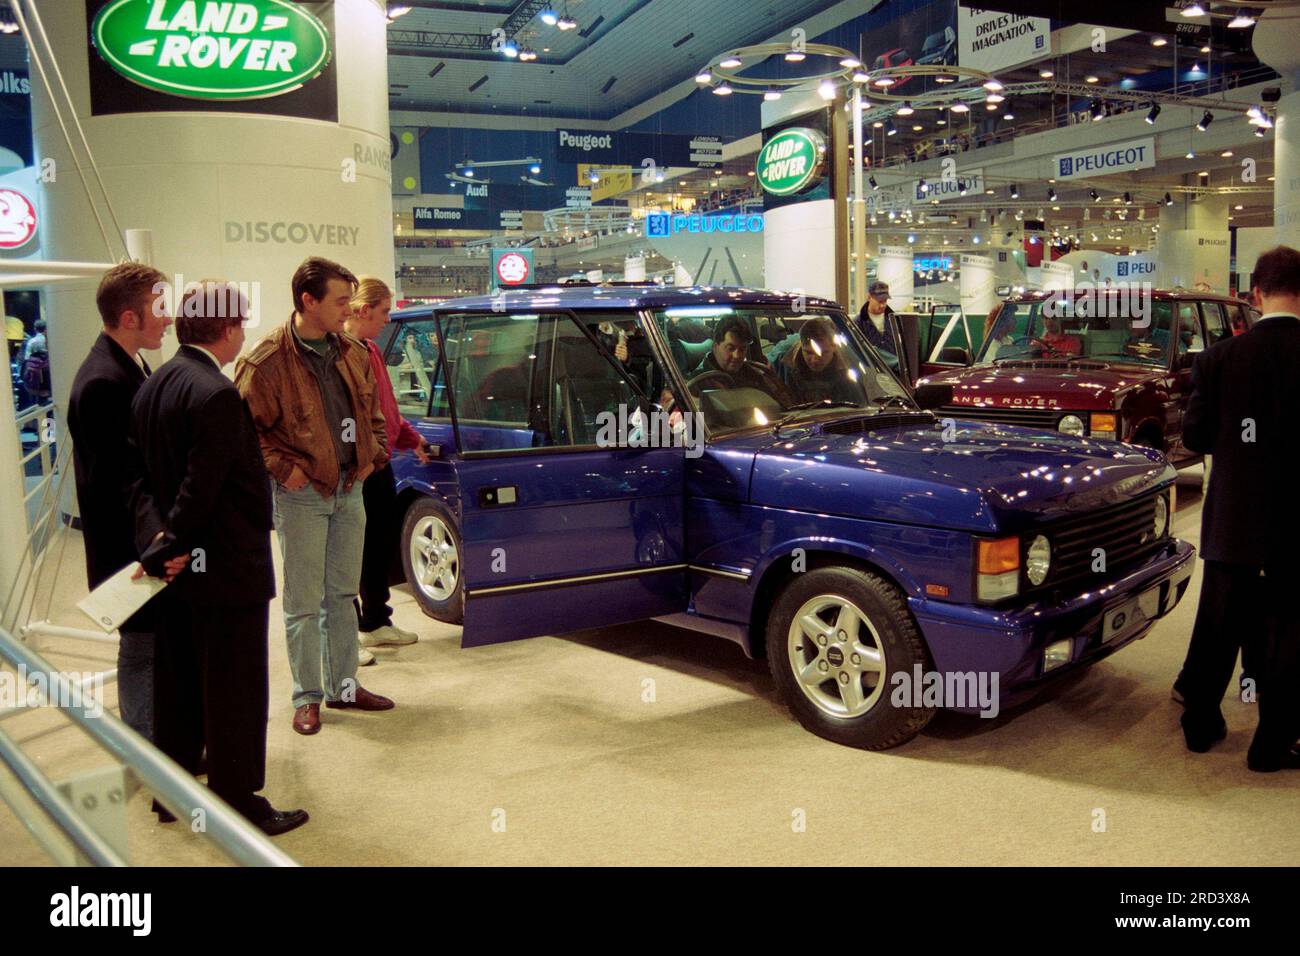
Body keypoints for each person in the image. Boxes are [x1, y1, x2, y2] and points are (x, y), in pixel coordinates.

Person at [130, 281, 308, 834]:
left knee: (179, 684)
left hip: (181, 571)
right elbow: (202, 489)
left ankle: (172, 795)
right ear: (227, 329)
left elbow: (140, 482)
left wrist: (159, 546)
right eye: (242, 323)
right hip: (226, 569)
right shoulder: (216, 393)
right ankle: (239, 800)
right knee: (235, 690)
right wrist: (174, 543)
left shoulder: (154, 384)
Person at [235, 257, 394, 737]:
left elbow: (373, 412)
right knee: (303, 604)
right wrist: (288, 471)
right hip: (301, 497)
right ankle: (306, 697)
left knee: (342, 595)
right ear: (309, 301)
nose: (350, 308)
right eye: (341, 301)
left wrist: (373, 456)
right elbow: (246, 432)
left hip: (351, 488)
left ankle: (344, 685)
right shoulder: (265, 362)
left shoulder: (352, 351)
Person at [1176, 245, 1300, 772]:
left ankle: (1201, 724)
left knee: (1219, 622)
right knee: (1291, 631)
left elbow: (1197, 435)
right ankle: (1272, 744)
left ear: (1255, 294)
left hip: (1234, 520)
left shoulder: (1219, 359)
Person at [67, 263, 173, 741]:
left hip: (141, 541)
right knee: (142, 645)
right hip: (128, 548)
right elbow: (120, 483)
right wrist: (154, 544)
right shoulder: (102, 382)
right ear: (130, 317)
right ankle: (149, 752)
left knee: (150, 644)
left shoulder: (127, 365)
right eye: (160, 308)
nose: (169, 319)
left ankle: (155, 743)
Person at [343, 277, 432, 653]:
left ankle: (376, 620)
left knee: (377, 545)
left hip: (380, 463)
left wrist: (411, 438)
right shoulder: (341, 354)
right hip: (357, 468)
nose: (386, 320)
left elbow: (385, 408)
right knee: (348, 553)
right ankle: (345, 639)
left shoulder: (371, 350)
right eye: (382, 312)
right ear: (364, 311)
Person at [688, 315, 791, 402]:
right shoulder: (695, 386)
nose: (737, 356)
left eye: (742, 349)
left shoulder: (757, 375)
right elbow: (694, 425)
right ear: (715, 346)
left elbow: (785, 407)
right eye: (731, 348)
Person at [775, 317, 860, 405]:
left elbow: (857, 406)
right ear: (801, 346)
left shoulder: (851, 368)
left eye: (823, 352)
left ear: (834, 346)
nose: (815, 360)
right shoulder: (782, 364)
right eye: (809, 352)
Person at [856, 280, 902, 372]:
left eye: (885, 301)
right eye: (879, 301)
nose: (883, 305)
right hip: (872, 372)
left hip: (896, 375)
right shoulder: (858, 322)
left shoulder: (895, 320)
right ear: (869, 297)